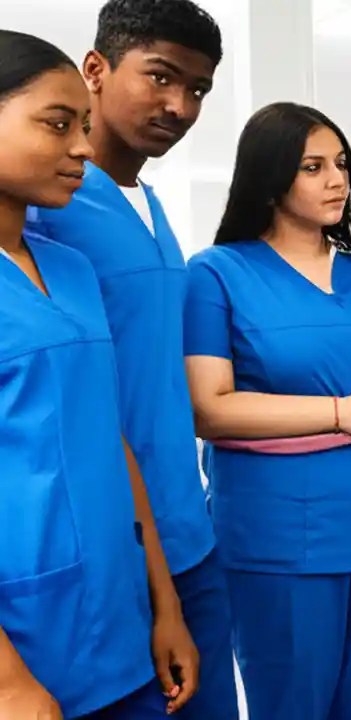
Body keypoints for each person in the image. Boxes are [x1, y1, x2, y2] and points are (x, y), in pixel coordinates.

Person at [22, 2, 239, 717]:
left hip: (184, 530)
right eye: (160, 77)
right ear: (96, 68)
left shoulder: (149, 207)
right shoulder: (45, 210)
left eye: (198, 90)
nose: (179, 105)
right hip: (98, 547)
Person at [183, 102, 351, 720]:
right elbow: (209, 409)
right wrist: (341, 413)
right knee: (294, 704)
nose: (337, 180)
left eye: (341, 164)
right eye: (313, 167)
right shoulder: (218, 273)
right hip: (282, 537)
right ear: (270, 178)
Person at [0, 29, 195, 719]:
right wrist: (8, 682)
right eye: (58, 124)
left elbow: (109, 440)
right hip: (28, 635)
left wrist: (165, 605)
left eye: (84, 126)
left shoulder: (74, 271)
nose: (83, 147)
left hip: (120, 619)